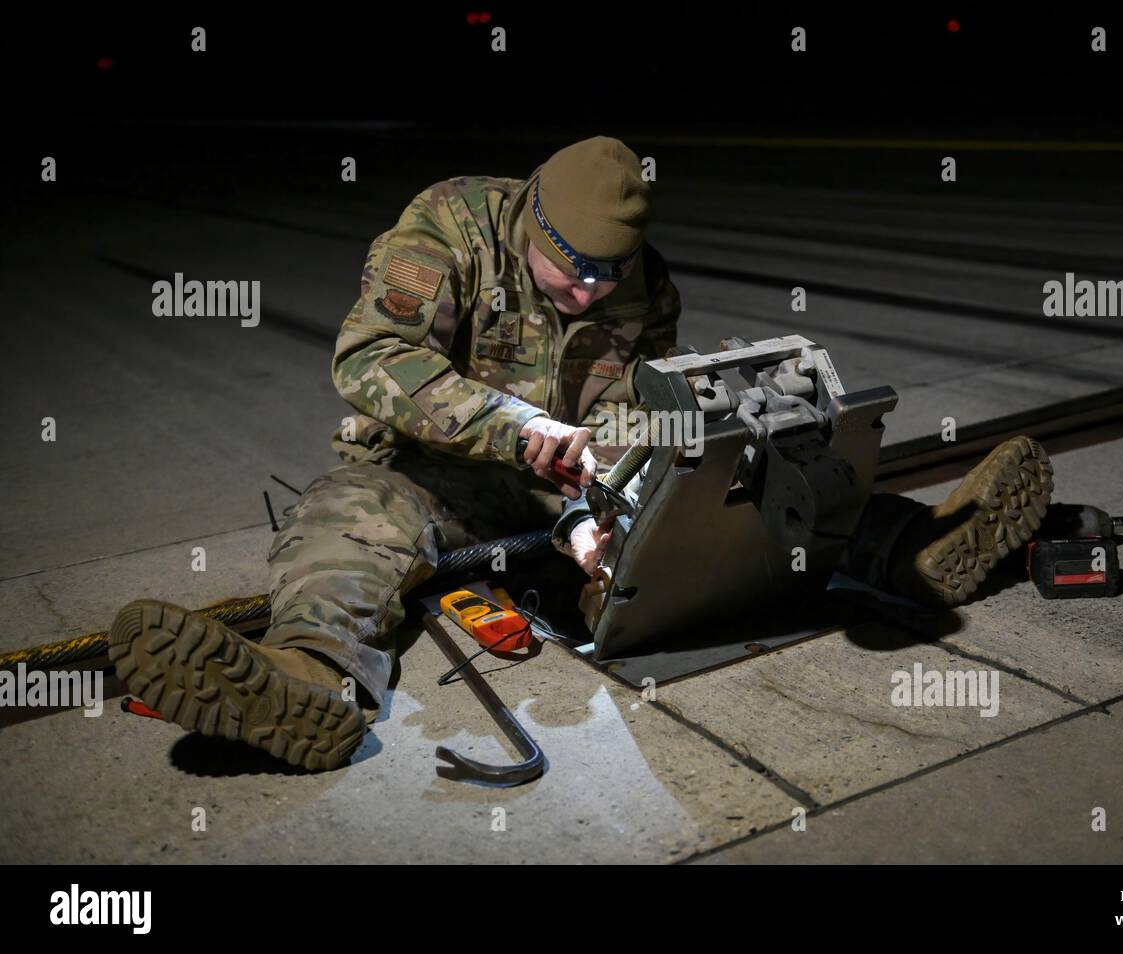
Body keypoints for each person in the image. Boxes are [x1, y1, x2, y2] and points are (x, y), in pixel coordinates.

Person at [108, 137, 1052, 772]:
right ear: (531, 228)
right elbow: (371, 360)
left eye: (612, 276)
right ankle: (308, 678)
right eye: (575, 273)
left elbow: (636, 408)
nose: (596, 294)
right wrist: (517, 433)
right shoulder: (449, 228)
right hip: (438, 469)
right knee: (348, 523)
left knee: (736, 473)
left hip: (567, 480)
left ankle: (913, 548)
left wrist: (600, 512)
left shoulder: (642, 285)